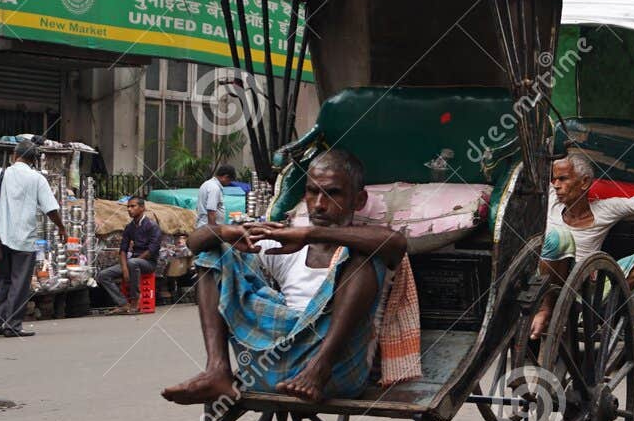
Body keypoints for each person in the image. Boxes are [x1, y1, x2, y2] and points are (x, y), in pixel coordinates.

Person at [162, 149, 407, 405]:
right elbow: (195, 243)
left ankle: (318, 367)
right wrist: (226, 230)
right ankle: (217, 369)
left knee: (363, 258)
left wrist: (308, 235)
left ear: (359, 200)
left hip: (335, 371)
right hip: (272, 361)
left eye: (333, 193)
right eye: (313, 192)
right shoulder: (285, 241)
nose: (319, 204)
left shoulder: (365, 244)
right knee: (213, 252)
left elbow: (396, 244)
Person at [531, 134, 634, 339]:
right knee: (557, 238)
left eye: (563, 179)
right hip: (550, 279)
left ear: (584, 183)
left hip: (585, 282)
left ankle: (601, 312)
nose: (556, 185)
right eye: (554, 180)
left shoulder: (605, 209)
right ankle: (547, 308)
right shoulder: (551, 201)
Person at [0, 139, 68, 338]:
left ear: (15, 156)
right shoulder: (37, 178)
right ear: (33, 160)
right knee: (20, 283)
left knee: (3, 279)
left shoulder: (0, 173)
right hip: (24, 239)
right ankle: (12, 325)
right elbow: (51, 209)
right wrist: (61, 228)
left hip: (0, 238)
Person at [98, 196, 162, 312]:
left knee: (133, 262)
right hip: (132, 263)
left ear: (142, 208)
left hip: (148, 263)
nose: (129, 209)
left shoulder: (152, 226)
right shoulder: (129, 227)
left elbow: (152, 250)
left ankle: (135, 299)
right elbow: (123, 250)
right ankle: (123, 303)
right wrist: (124, 268)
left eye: (133, 206)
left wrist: (131, 264)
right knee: (103, 275)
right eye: (128, 206)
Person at [197, 164, 237, 229]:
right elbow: (211, 211)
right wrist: (213, 231)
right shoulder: (214, 188)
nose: (229, 183)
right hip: (208, 228)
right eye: (229, 180)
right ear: (225, 177)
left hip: (203, 225)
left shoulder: (207, 184)